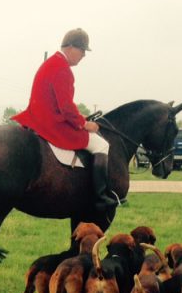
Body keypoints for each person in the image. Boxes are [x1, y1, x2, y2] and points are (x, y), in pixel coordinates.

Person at [12, 28, 117, 213]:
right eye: (82, 50)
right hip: (52, 124)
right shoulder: (63, 69)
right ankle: (100, 198)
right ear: (70, 47)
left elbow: (59, 103)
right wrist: (85, 124)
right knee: (101, 145)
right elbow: (66, 108)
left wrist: (79, 116)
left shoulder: (51, 63)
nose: (84, 55)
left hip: (37, 118)